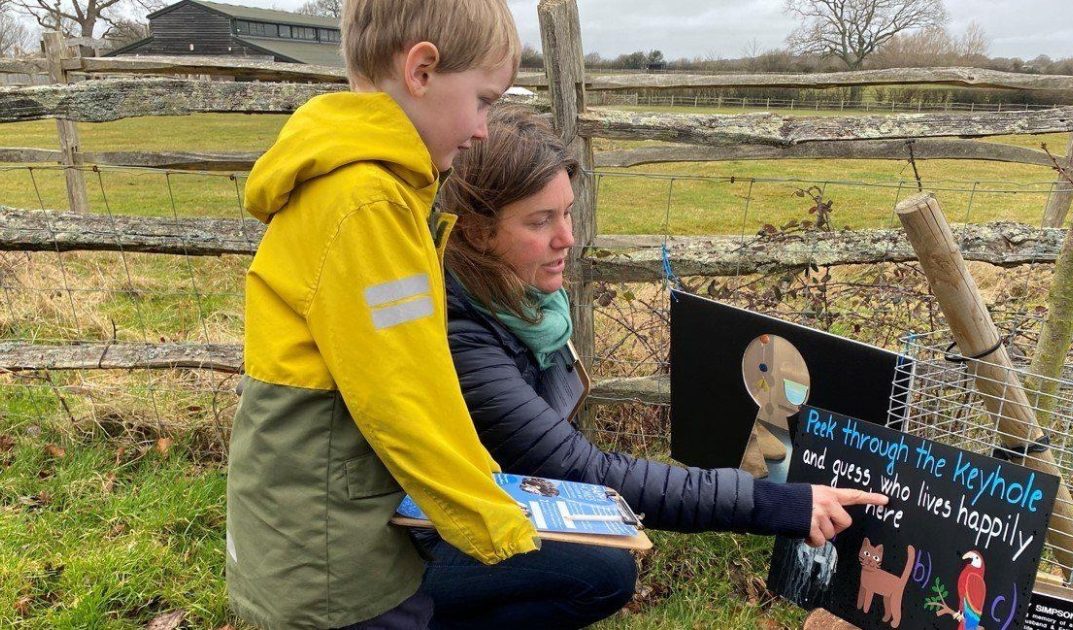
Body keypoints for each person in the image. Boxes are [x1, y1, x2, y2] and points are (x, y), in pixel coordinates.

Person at [415, 105, 889, 629]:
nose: (567, 238)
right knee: (600, 569)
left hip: (463, 510)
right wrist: (775, 504)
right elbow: (583, 474)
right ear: (480, 234)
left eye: (567, 212)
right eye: (540, 221)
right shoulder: (463, 338)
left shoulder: (517, 307)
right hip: (407, 548)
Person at [224, 3, 540, 628]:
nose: (484, 129)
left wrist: (483, 474)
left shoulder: (367, 187)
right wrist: (489, 515)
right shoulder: (367, 205)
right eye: (483, 99)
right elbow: (401, 392)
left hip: (328, 532)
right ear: (421, 70)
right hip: (331, 562)